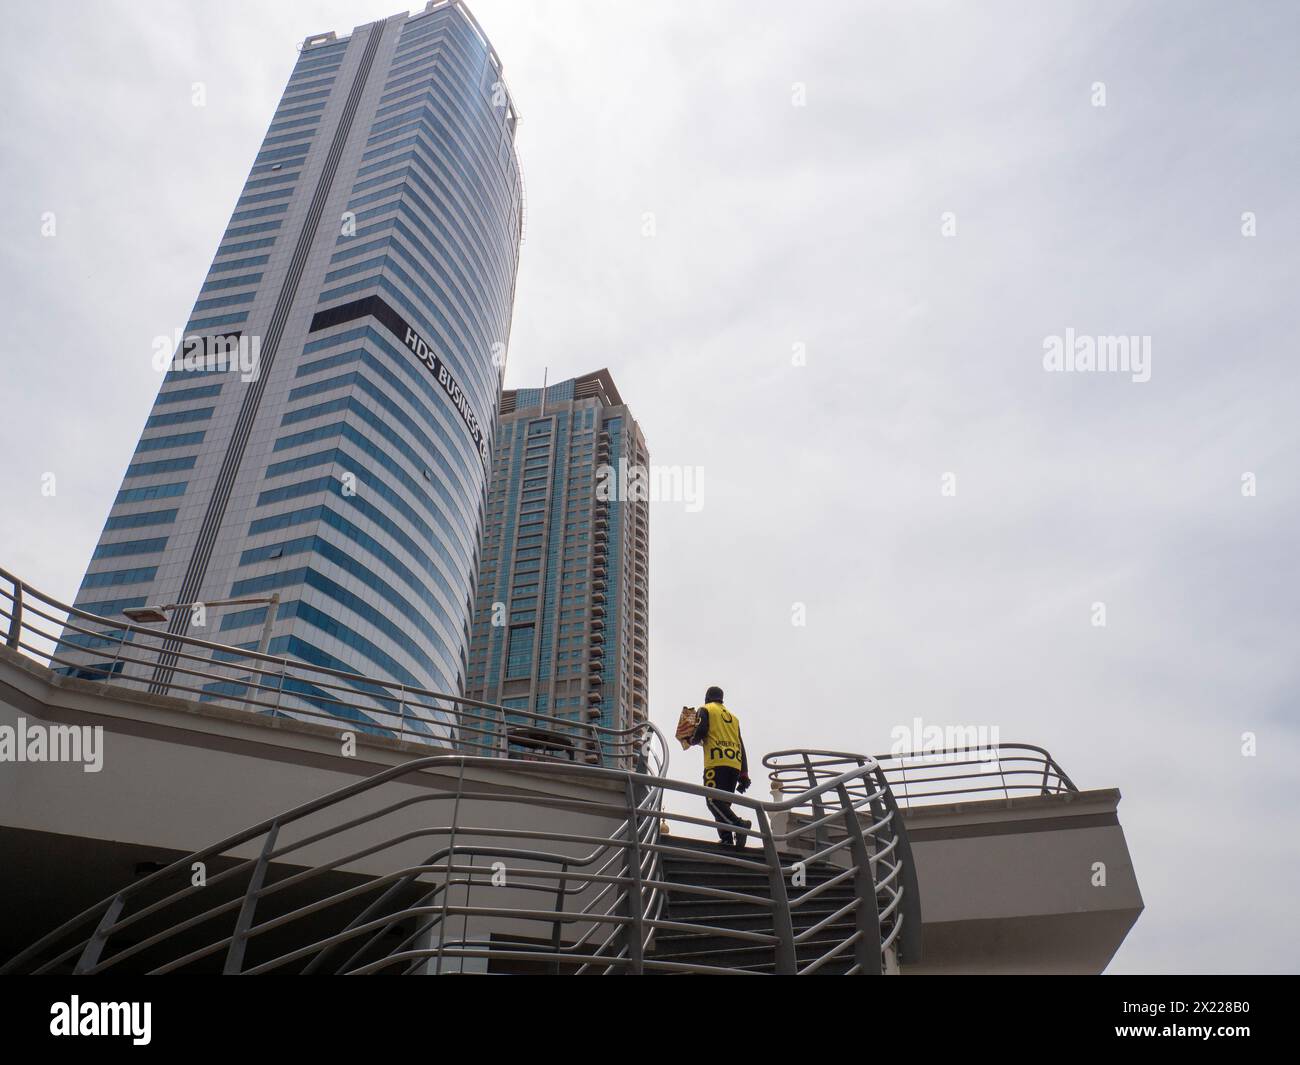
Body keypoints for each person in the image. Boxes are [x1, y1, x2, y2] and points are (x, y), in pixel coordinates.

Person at [690, 686, 752, 849]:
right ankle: (727, 839)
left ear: (707, 698)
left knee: (713, 801)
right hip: (734, 765)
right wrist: (744, 774)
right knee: (723, 804)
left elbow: (701, 731)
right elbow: (741, 745)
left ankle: (739, 826)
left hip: (716, 762)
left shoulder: (705, 709)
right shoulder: (734, 718)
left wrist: (692, 739)